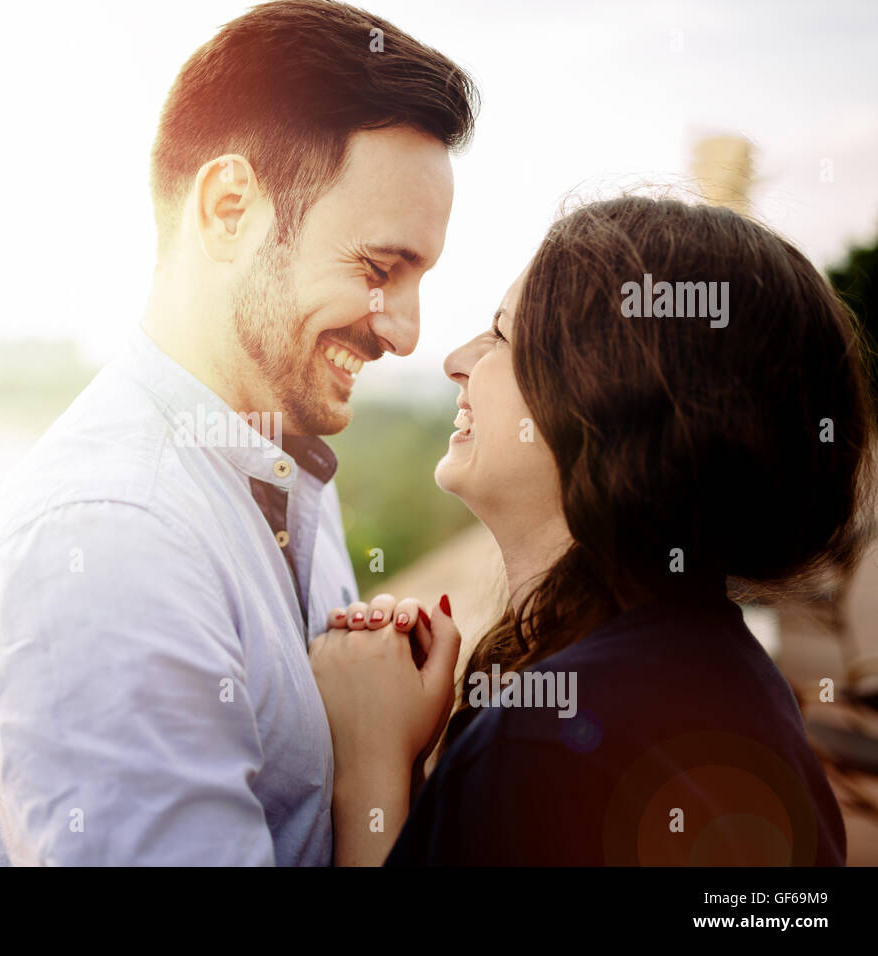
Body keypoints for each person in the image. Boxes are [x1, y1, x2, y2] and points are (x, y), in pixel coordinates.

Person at [0, 0, 476, 865]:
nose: (407, 330)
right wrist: (375, 771)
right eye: (380, 270)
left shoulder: (288, 471)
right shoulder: (112, 539)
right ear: (230, 209)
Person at [310, 196, 877, 865]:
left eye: (501, 336)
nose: (456, 359)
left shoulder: (549, 746)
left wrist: (369, 762)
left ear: (608, 400)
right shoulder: (727, 679)